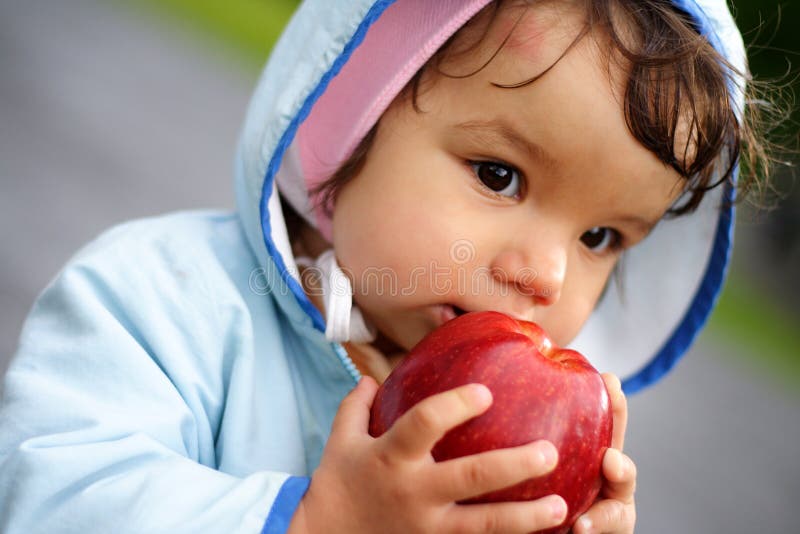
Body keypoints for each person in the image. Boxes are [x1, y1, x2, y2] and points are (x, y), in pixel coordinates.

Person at [0, 0, 769, 532]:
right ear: (348, 120)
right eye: (499, 175)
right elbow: (48, 500)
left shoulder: (514, 436)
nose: (547, 277)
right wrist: (315, 525)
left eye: (601, 236)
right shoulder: (160, 301)